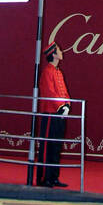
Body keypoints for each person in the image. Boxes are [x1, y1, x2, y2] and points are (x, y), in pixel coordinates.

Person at [35, 40, 71, 188]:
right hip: (50, 113)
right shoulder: (47, 72)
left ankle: (54, 176)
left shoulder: (58, 72)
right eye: (59, 50)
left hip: (60, 113)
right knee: (47, 146)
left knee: (56, 146)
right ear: (54, 55)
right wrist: (61, 106)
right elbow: (49, 92)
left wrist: (67, 105)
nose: (61, 52)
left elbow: (64, 92)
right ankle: (44, 178)